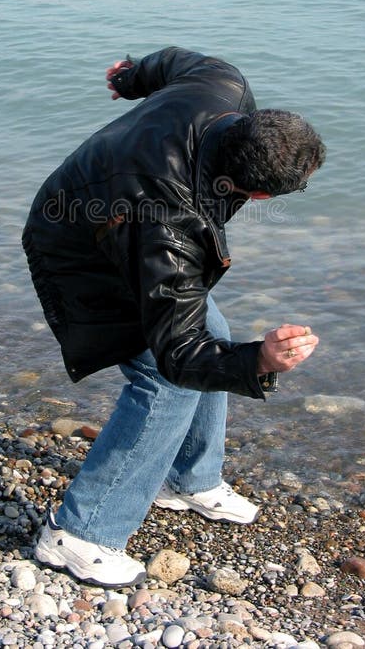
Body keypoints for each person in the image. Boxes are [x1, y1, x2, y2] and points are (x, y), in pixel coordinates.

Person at [22, 46, 325, 587]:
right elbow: (180, 356)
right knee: (164, 381)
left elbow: (173, 62)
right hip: (81, 247)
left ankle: (189, 478)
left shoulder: (223, 85)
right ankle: (79, 533)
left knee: (215, 333)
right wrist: (261, 359)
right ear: (257, 192)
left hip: (109, 205)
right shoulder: (170, 222)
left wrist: (130, 76)